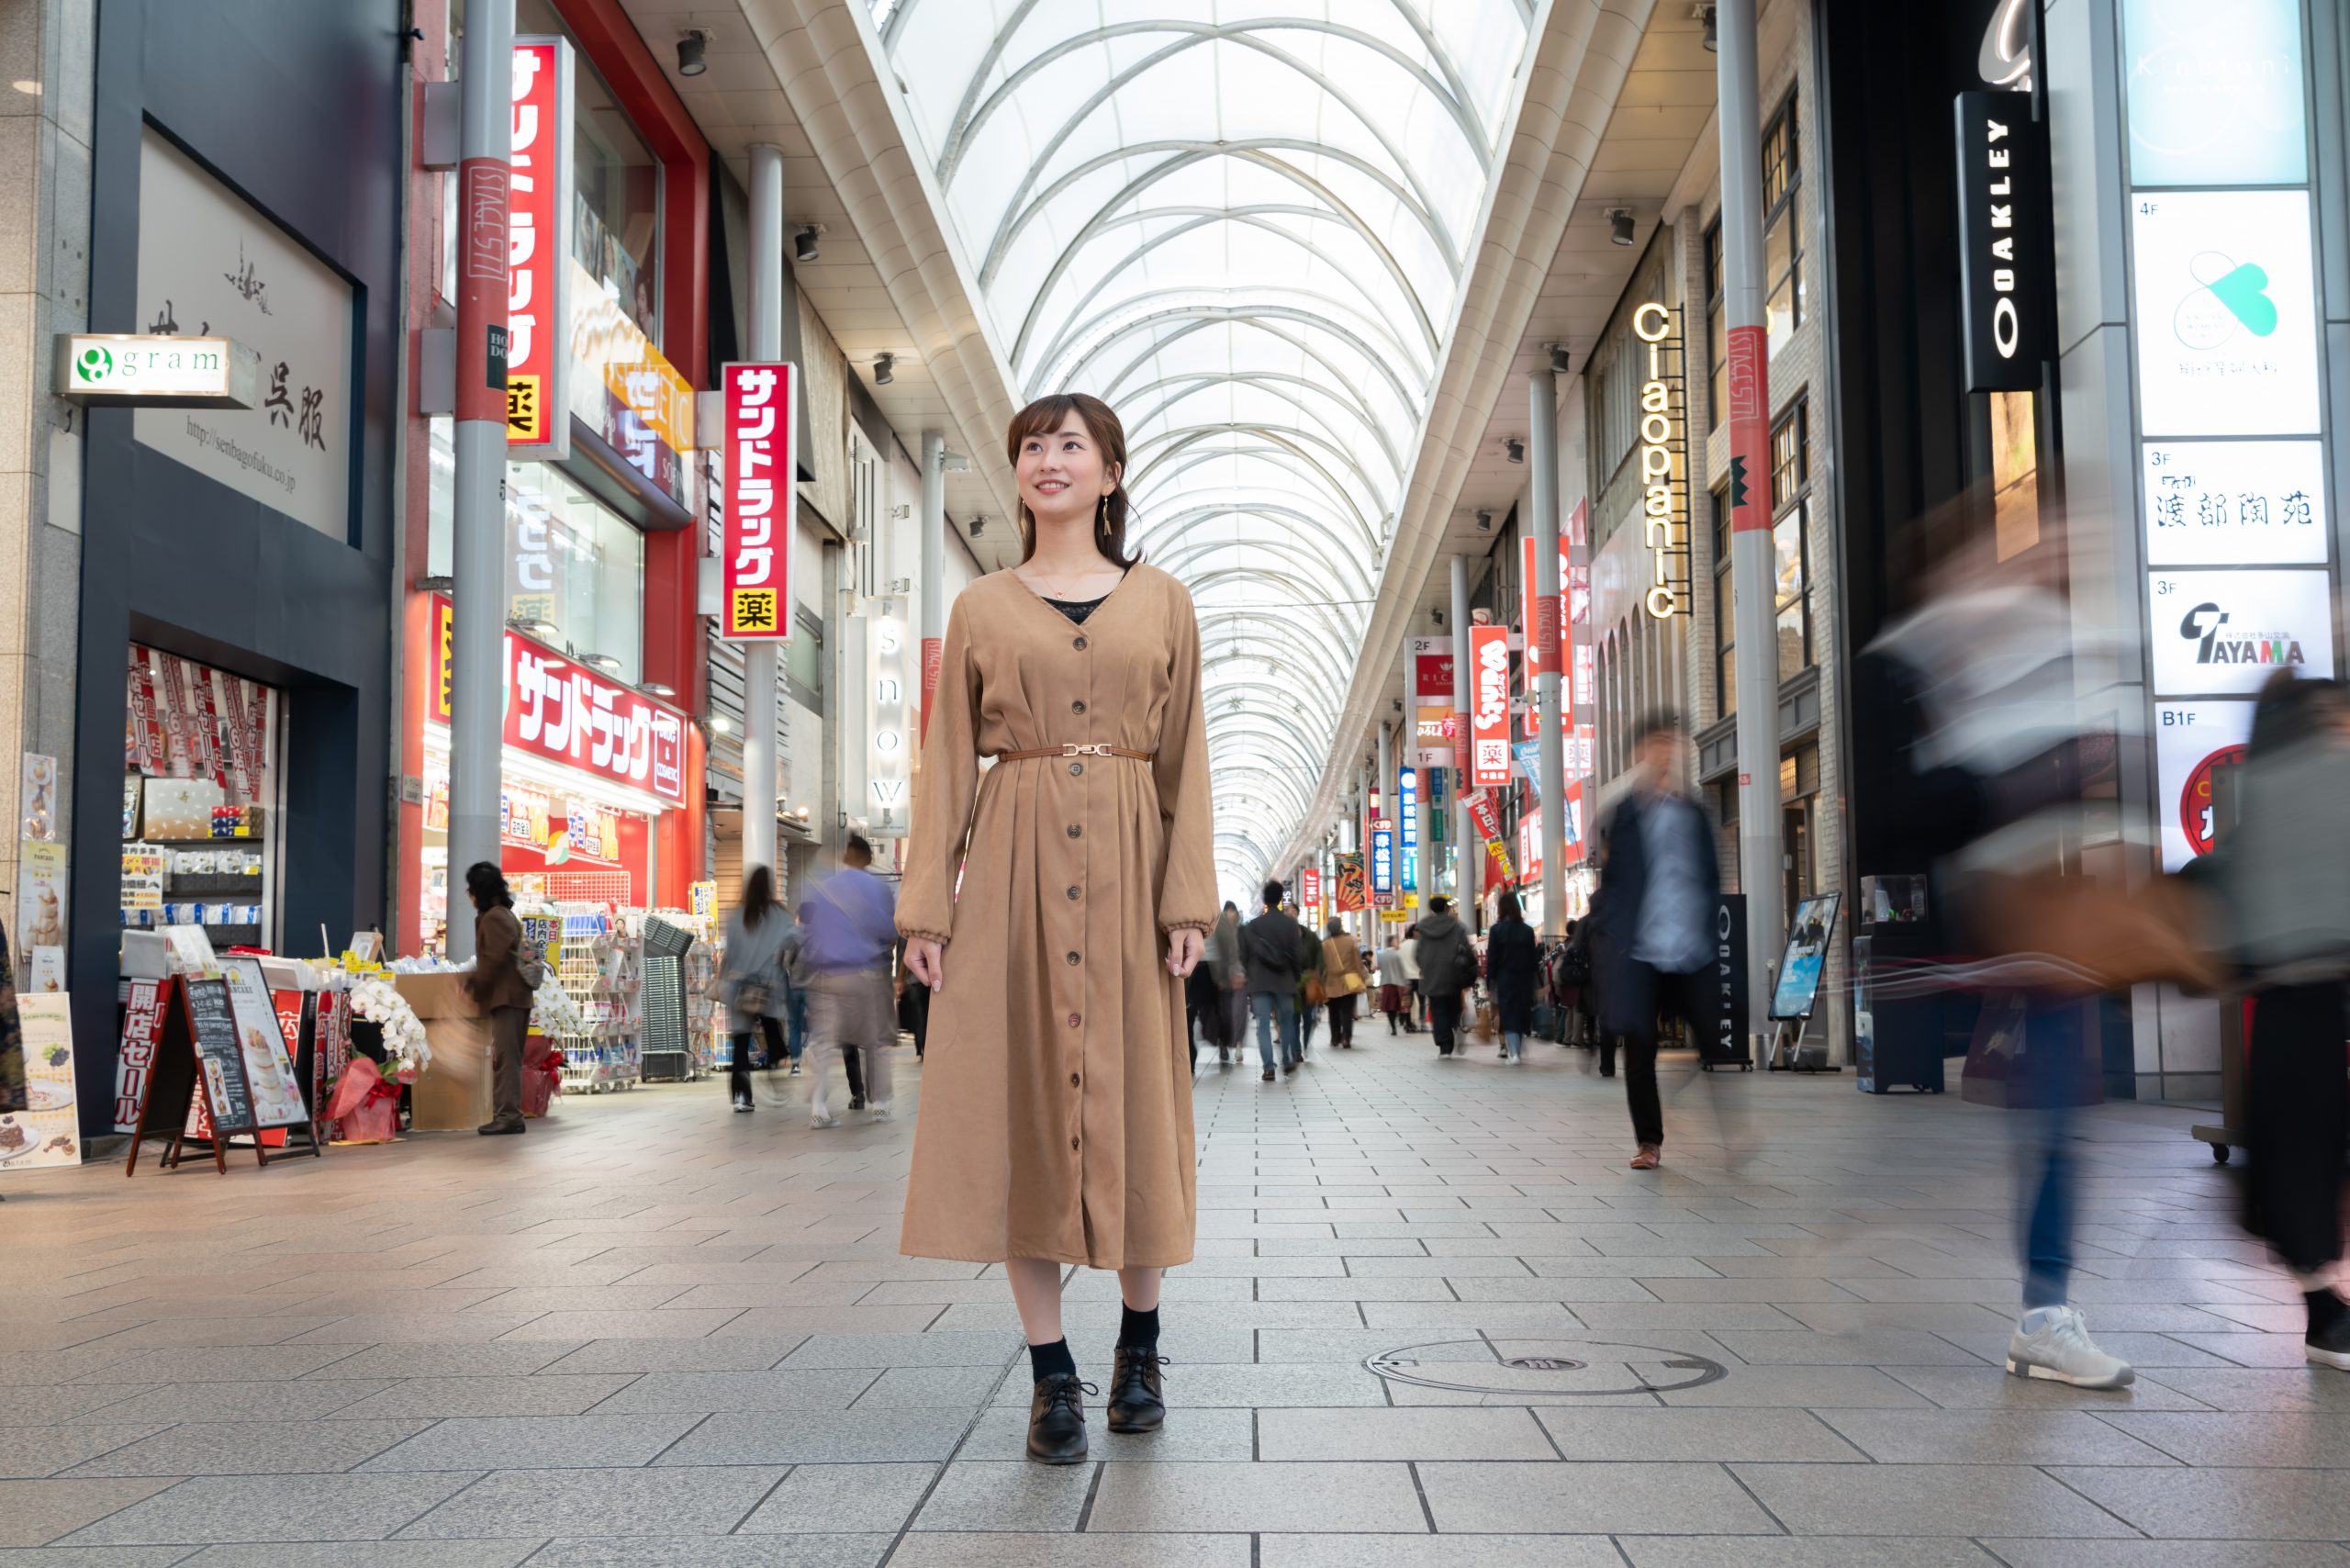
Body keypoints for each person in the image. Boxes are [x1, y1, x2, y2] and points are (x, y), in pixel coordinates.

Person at [898, 393, 1215, 1465]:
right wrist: (927, 906)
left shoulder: (1163, 601)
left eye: (1071, 445)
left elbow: (1186, 761)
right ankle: (1049, 1376)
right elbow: (947, 761)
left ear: (1109, 472)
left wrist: (1186, 899)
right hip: (1013, 870)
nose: (1048, 460)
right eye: (1032, 445)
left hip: (1129, 869)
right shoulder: (982, 606)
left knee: (1138, 1109)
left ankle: (1139, 1347)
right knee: (1018, 1110)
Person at [2219, 674, 2350, 1369]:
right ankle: (2324, 1313)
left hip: (2287, 1000)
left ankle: (2321, 1305)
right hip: (2312, 996)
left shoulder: (2263, 785)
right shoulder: (2318, 778)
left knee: (2299, 1153)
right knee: (2308, 1153)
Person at [1588, 712, 1718, 1170]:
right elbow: (1612, 886)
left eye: (1673, 742)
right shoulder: (1623, 814)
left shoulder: (1693, 812)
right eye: (1659, 742)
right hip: (1640, 952)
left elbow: (1710, 878)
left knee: (1713, 1041)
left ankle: (1723, 1126)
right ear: (1640, 751)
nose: (1667, 751)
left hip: (1689, 950)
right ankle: (1649, 1141)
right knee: (1640, 1052)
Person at [800, 835, 900, 1128]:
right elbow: (888, 929)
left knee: (824, 1042)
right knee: (875, 1040)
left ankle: (818, 1108)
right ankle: (880, 1104)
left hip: (826, 976)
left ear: (846, 857)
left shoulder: (824, 888)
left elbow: (811, 932)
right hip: (865, 973)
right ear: (867, 858)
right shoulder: (877, 888)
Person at [462, 861, 535, 1137]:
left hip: (508, 998)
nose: (468, 894)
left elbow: (493, 961)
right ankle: (507, 1114)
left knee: (506, 1059)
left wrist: (471, 986)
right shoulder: (502, 914)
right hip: (513, 997)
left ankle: (508, 1116)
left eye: (471, 888)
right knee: (507, 1058)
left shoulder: (494, 918)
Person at [720, 865, 791, 1112]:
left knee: (740, 1044)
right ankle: (774, 1065)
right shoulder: (778, 915)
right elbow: (795, 939)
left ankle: (742, 1097)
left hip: (740, 988)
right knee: (772, 1031)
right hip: (767, 987)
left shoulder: (736, 915)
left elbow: (730, 954)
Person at [1243, 881, 1307, 1079]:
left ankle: (1268, 1068)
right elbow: (1298, 955)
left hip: (1259, 981)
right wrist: (1296, 976)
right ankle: (1287, 1060)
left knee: (1263, 1024)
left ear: (1264, 899)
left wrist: (1249, 977)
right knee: (1286, 1021)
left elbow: (1244, 956)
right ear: (1280, 899)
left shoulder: (1253, 926)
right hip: (1284, 981)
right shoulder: (1290, 924)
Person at [1413, 896, 1476, 1057]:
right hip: (1453, 975)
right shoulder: (1457, 926)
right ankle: (1454, 1027)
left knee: (1438, 1009)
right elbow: (1467, 951)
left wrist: (1426, 967)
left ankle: (1444, 1046)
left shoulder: (1424, 929)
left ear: (1432, 909)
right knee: (1453, 1007)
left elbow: (1418, 954)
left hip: (1432, 977)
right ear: (1447, 908)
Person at [1486, 891, 1539, 1064]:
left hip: (1505, 977)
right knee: (1521, 1012)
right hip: (1524, 978)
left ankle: (1514, 1053)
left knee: (1508, 1013)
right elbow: (1533, 958)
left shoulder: (1496, 930)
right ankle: (1516, 1050)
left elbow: (1492, 959)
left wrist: (1490, 981)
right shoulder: (1527, 931)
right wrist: (1536, 981)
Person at [1203, 902, 1246, 1063]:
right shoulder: (1207, 920)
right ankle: (1219, 1039)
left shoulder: (1225, 924)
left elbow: (1231, 952)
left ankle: (1224, 1042)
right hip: (1207, 974)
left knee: (1226, 1013)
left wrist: (1229, 975)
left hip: (1225, 977)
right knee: (1212, 1011)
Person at [1320, 919, 1370, 1047]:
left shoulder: (1325, 945)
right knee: (1347, 1012)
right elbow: (1357, 962)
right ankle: (1346, 1038)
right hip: (1349, 982)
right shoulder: (1350, 942)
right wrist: (1363, 977)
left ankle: (1335, 1038)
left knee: (1333, 1012)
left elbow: (1322, 967)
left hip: (1331, 983)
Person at [1373, 934, 1411, 1035]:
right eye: (1396, 941)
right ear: (1391, 942)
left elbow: (1381, 970)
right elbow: (1402, 970)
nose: (1398, 943)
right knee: (1398, 1006)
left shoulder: (1382, 955)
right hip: (1398, 983)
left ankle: (1393, 1026)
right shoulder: (1398, 954)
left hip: (1386, 983)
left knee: (1390, 1007)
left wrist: (1381, 985)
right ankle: (1400, 1022)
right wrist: (1407, 983)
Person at [1398, 921, 1424, 1030]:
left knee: (1408, 1002)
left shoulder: (1401, 945)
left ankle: (1408, 1023)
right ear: (1414, 932)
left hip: (1406, 977)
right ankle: (1422, 1023)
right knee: (1422, 1001)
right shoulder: (1420, 945)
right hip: (1420, 977)